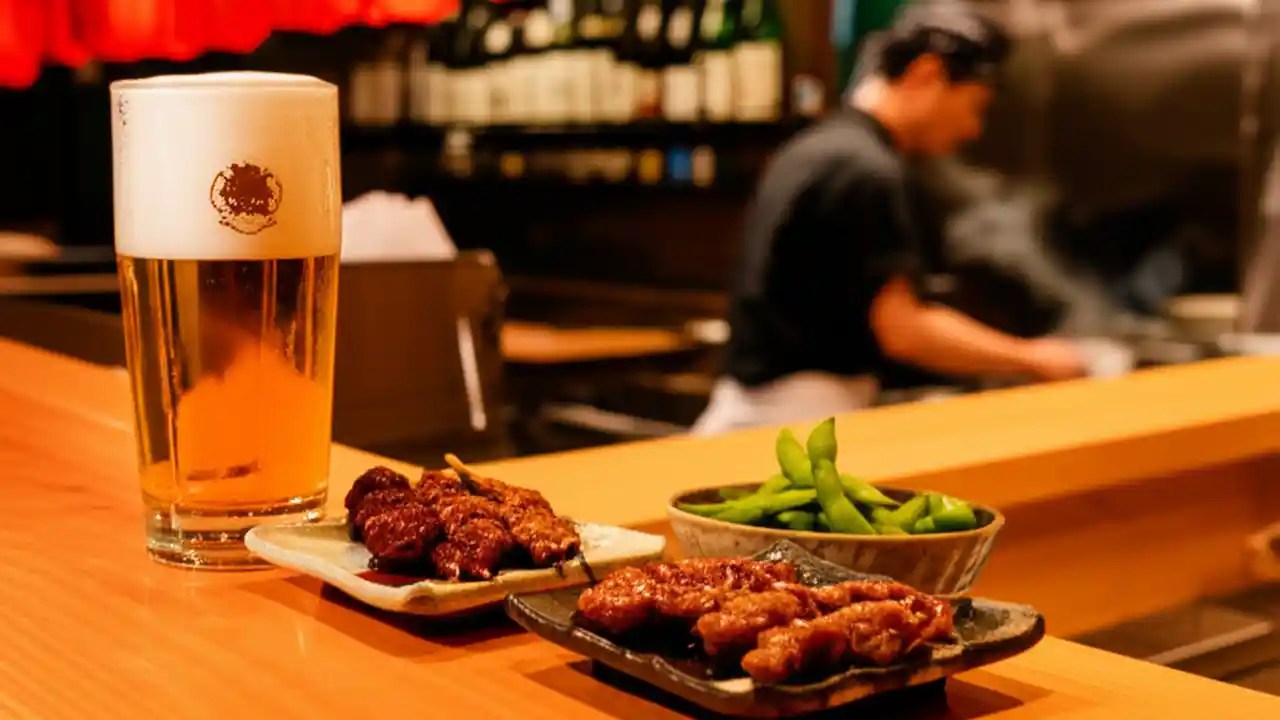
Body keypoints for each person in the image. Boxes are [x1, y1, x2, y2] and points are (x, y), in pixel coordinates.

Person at [694, 3, 1086, 435]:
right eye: (975, 106)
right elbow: (903, 329)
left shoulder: (818, 146)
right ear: (927, 74)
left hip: (754, 402)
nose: (972, 128)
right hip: (805, 414)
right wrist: (1036, 358)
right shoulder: (866, 168)